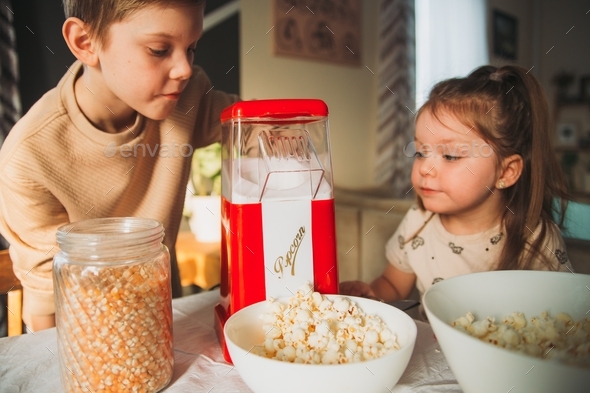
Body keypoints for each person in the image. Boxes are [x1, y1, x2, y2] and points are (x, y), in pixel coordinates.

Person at [0, 0, 237, 331]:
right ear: (85, 42)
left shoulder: (188, 96)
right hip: (89, 340)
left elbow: (258, 128)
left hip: (166, 325)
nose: (184, 68)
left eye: (191, 48)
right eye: (158, 49)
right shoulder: (29, 157)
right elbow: (46, 301)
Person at [340, 65, 573, 315]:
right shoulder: (418, 222)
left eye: (450, 156)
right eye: (420, 152)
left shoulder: (536, 238)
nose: (425, 169)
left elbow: (564, 318)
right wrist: (371, 295)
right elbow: (393, 284)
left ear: (506, 172)